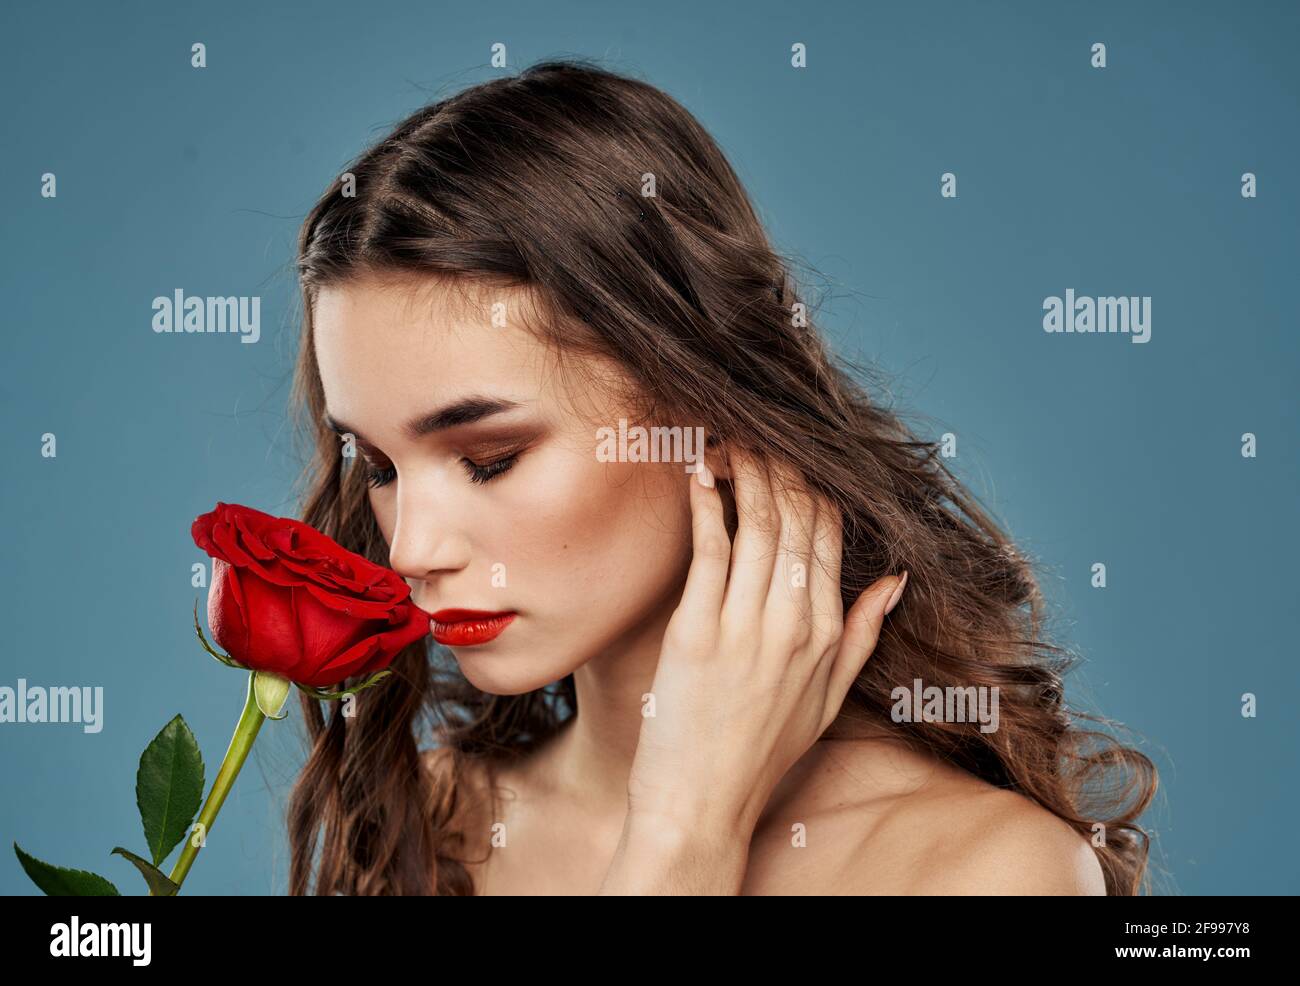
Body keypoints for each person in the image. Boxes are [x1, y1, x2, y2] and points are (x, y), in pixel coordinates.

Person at [286, 58, 1155, 895]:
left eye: (490, 459)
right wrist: (684, 835)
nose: (410, 548)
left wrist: (687, 831)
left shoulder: (981, 872)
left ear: (708, 412)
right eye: (379, 465)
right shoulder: (426, 823)